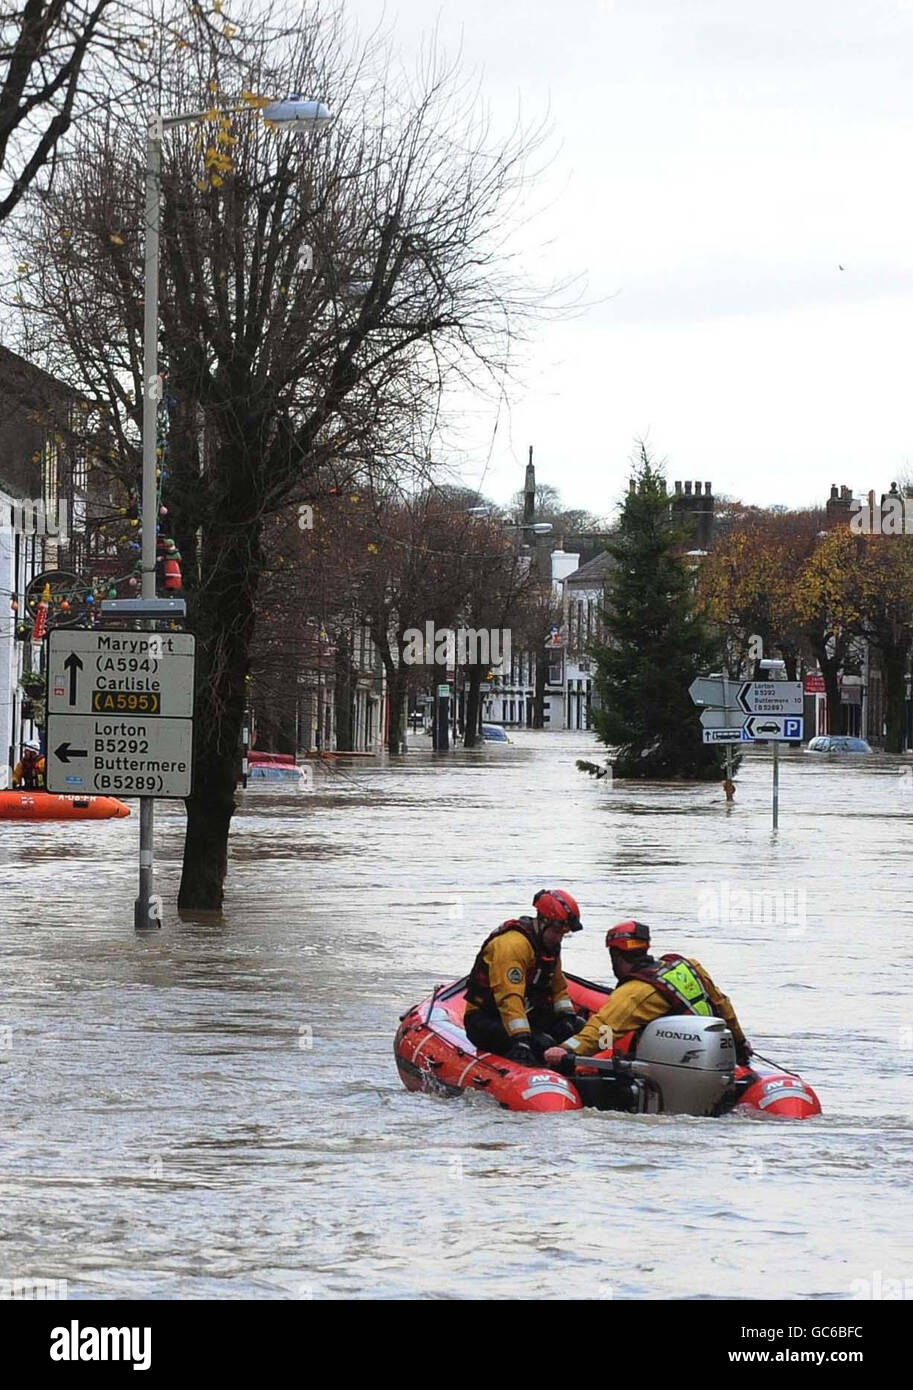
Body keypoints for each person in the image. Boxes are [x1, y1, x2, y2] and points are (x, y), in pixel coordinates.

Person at [544, 920, 752, 1070]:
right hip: (714, 1058)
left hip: (674, 1070)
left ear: (615, 956)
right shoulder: (687, 966)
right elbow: (723, 1005)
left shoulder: (634, 992)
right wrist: (740, 1044)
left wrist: (564, 1050)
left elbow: (602, 1030)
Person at [464, 889, 588, 1064]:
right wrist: (521, 1039)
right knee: (543, 1043)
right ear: (542, 921)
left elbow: (558, 986)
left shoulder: (548, 945)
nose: (559, 938)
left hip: (528, 1013)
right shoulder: (512, 945)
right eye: (557, 931)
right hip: (487, 1018)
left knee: (580, 1027)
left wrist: (566, 1018)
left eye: (563, 933)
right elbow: (509, 997)